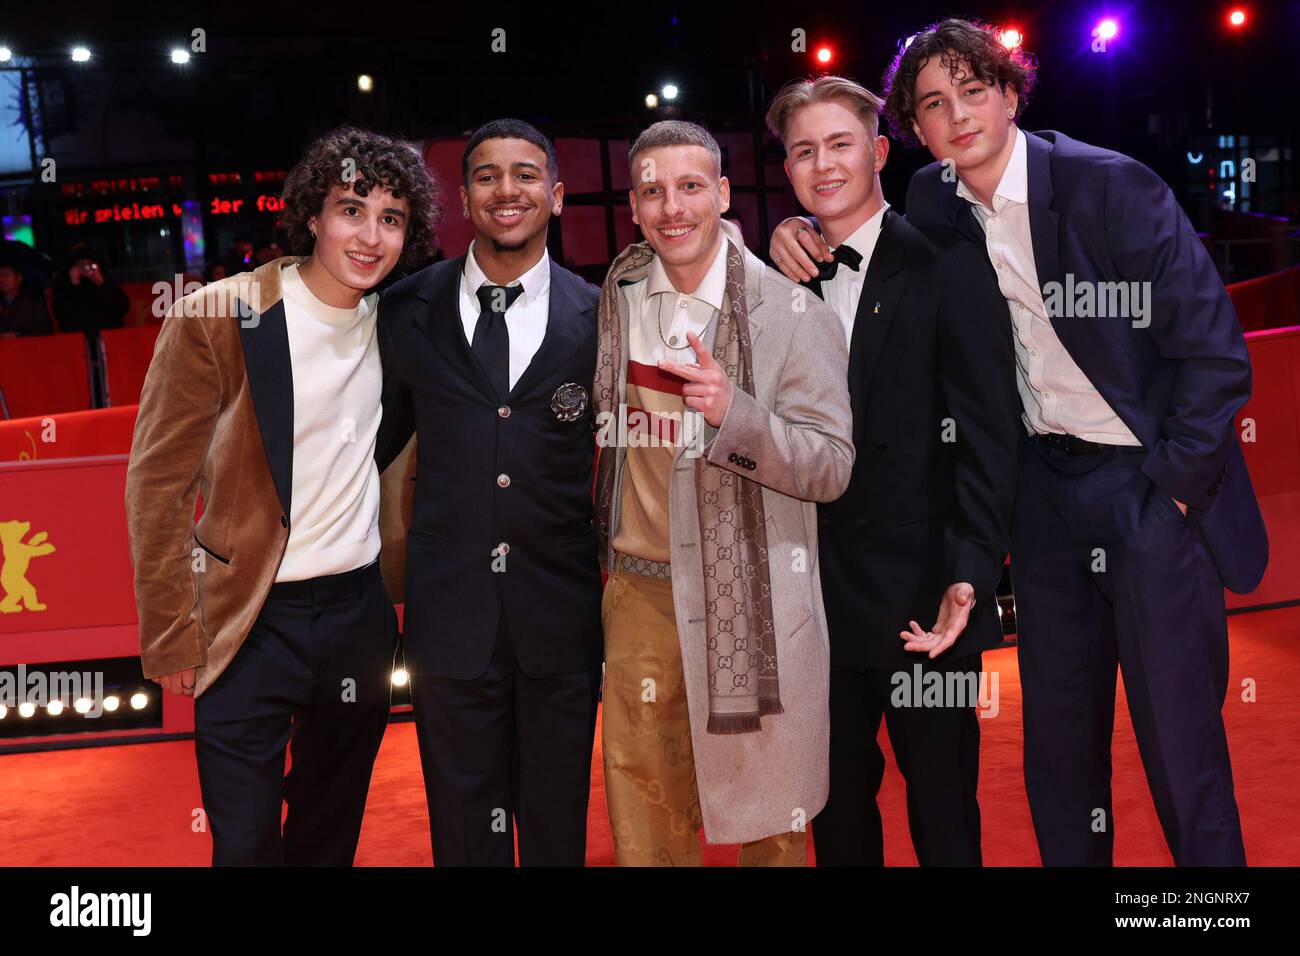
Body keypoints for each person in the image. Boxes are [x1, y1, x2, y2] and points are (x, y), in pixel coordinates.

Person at [771, 17, 1266, 866]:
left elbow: (1217, 356)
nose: (957, 114)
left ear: (1010, 92)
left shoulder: (1111, 186)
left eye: (973, 90)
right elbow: (867, 234)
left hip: (1143, 488)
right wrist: (795, 232)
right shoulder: (934, 199)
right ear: (913, 130)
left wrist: (1169, 497)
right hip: (1041, 498)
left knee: (1181, 753)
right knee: (1058, 759)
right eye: (933, 103)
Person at [126, 126, 440, 866]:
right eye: (351, 209)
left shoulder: (397, 327)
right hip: (244, 619)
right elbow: (157, 485)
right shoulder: (217, 317)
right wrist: (170, 631)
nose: (369, 236)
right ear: (311, 216)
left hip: (355, 619)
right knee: (244, 842)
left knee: (327, 838)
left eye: (390, 218)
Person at [764, 75, 1019, 866]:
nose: (823, 164)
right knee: (836, 820)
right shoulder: (777, 279)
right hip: (814, 606)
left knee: (945, 815)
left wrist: (974, 571)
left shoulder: (948, 264)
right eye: (803, 151)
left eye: (841, 144)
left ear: (878, 152)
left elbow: (988, 435)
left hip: (926, 605)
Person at [595, 120, 853, 866]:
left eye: (690, 186)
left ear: (724, 194)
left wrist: (733, 414)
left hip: (756, 589)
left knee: (773, 816)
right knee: (646, 814)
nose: (672, 208)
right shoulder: (618, 297)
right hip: (639, 594)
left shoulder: (793, 314)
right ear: (636, 207)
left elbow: (831, 466)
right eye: (653, 191)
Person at [377, 119, 604, 867]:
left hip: (561, 621)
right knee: (466, 836)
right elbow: (367, 446)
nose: (508, 190)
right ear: (464, 197)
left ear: (557, 194)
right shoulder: (405, 311)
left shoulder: (604, 313)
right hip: (450, 621)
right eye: (486, 175)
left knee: (555, 834)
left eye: (526, 174)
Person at [51, 244, 129, 335]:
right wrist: (74, 284)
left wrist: (101, 283)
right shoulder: (63, 282)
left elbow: (123, 307)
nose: (86, 268)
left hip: (106, 334)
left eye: (89, 264)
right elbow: (61, 312)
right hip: (77, 337)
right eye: (81, 265)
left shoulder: (106, 279)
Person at [0, 261, 54, 337]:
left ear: (19, 278)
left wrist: (17, 335)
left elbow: (45, 328)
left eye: (5, 276)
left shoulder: (33, 300)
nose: (1, 280)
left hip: (27, 345)